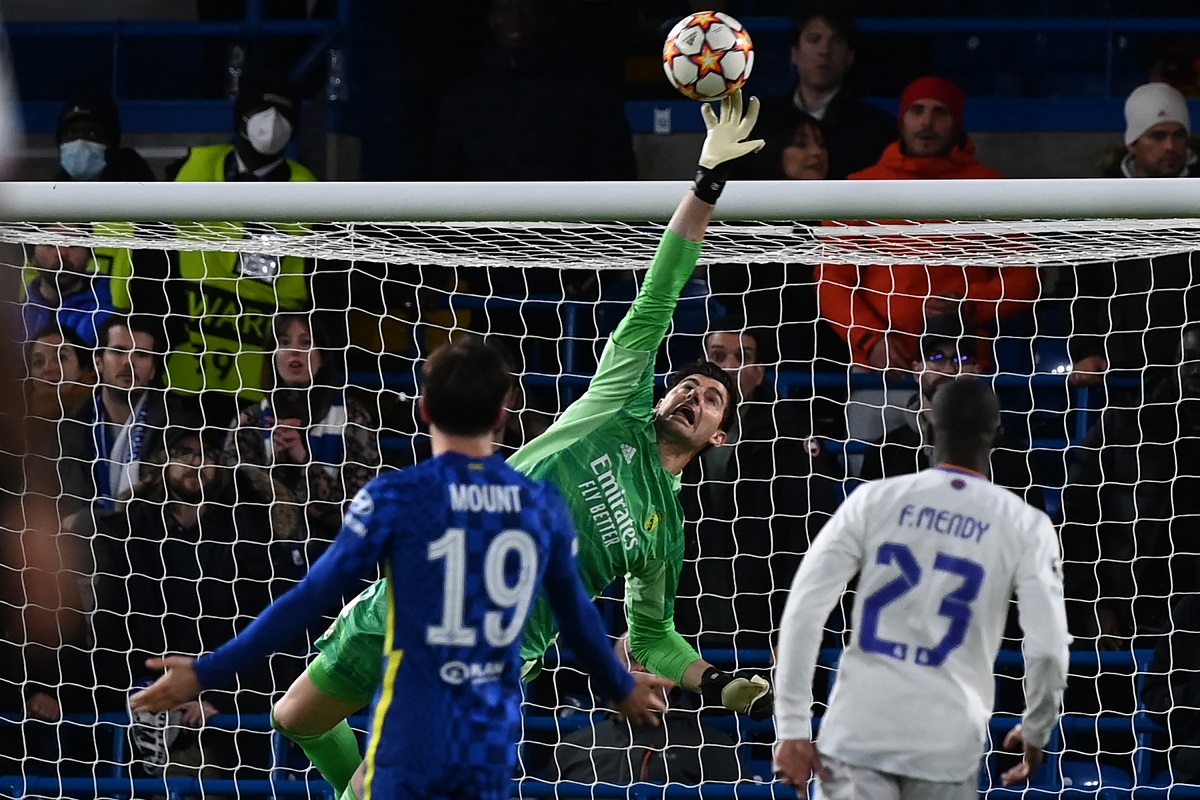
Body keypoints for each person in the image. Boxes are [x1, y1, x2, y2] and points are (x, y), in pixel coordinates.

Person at [227, 92, 775, 798]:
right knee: (295, 715)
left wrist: (718, 680)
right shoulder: (615, 407)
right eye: (688, 386)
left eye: (712, 399)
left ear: (717, 435)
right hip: (422, 587)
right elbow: (661, 289)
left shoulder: (663, 527)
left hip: (495, 645)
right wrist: (706, 185)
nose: (693, 397)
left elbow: (653, 633)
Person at [130, 338, 670, 800]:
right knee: (297, 720)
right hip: (488, 737)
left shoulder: (398, 498)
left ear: (424, 410)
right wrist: (618, 685)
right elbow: (577, 619)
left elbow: (309, 597)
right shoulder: (540, 506)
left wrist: (207, 672)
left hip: (416, 726)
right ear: (502, 416)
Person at [773, 377, 1071, 798]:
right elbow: (1047, 650)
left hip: (858, 733)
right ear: (999, 435)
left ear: (929, 429)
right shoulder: (1026, 524)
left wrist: (792, 728)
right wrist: (1038, 728)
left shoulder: (872, 500)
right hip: (947, 747)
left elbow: (804, 610)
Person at [817, 75, 1041, 454]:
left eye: (939, 113)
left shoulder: (994, 188)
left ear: (957, 122)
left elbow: (1026, 279)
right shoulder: (859, 188)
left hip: (964, 372)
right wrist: (870, 340)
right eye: (917, 111)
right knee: (872, 490)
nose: (926, 122)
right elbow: (832, 282)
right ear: (902, 119)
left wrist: (970, 302)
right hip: (880, 373)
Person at [88, 424, 300, 778]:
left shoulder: (249, 532)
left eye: (207, 455)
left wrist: (221, 699)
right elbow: (113, 629)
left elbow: (267, 628)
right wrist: (144, 694)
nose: (197, 464)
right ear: (162, 462)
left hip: (224, 714)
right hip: (143, 704)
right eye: (185, 454)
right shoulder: (128, 531)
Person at [677, 320, 841, 650]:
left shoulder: (791, 435)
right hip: (682, 613)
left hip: (761, 618)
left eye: (743, 357)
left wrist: (791, 626)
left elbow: (809, 533)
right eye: (718, 356)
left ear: (760, 372)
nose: (730, 367)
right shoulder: (669, 430)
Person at [165, 73, 318, 407]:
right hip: (180, 374)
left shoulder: (311, 195)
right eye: (262, 109)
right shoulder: (191, 168)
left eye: (284, 113)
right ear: (240, 116)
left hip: (260, 388)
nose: (272, 122)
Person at [1058, 325, 1200, 645]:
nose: (1196, 370)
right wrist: (1091, 602)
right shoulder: (1124, 424)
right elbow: (1076, 519)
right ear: (1175, 362)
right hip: (1125, 612)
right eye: (1189, 358)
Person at [1069, 82, 1200, 388]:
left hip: (1193, 367)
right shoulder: (1097, 204)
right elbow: (1080, 289)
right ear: (1133, 142)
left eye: (1178, 135)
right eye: (1158, 135)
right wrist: (1087, 351)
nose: (1170, 146)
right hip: (1121, 369)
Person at [859, 316, 1045, 512]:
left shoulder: (1012, 456)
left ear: (976, 371)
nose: (949, 370)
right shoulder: (885, 452)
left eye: (961, 359)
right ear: (916, 370)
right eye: (936, 358)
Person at [223, 313, 380, 544]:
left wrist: (304, 460)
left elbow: (362, 506)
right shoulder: (249, 421)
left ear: (322, 356)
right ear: (272, 356)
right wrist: (276, 463)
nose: (294, 351)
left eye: (306, 342)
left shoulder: (353, 417)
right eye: (284, 343)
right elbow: (235, 506)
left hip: (335, 550)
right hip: (262, 555)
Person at [755, 4, 896, 180]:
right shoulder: (761, 120)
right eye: (814, 40)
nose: (824, 51)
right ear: (795, 53)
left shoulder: (877, 128)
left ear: (850, 56)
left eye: (836, 42)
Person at [55, 315, 170, 516]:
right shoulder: (65, 429)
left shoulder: (177, 428)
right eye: (118, 351)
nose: (129, 362)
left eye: (141, 355)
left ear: (152, 370)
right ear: (99, 362)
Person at [20, 232, 118, 348]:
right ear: (32, 256)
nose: (62, 253)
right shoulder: (11, 318)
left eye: (73, 243)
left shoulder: (111, 323)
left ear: (89, 254)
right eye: (50, 242)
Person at [54, 95, 155, 182]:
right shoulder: (53, 192)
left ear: (110, 142)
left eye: (91, 133)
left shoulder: (134, 181)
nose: (80, 141)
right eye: (72, 133)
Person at [23, 325, 92, 423]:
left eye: (61, 357)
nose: (48, 368)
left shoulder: (103, 410)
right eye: (38, 362)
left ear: (83, 367)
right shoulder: (16, 417)